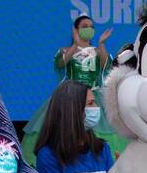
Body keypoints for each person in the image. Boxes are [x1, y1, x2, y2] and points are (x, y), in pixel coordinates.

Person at [21, 14, 123, 164]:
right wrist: (75, 45)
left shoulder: (97, 50)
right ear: (75, 30)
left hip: (92, 96)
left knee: (99, 128)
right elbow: (60, 64)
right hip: (69, 96)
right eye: (84, 26)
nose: (89, 29)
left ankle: (101, 163)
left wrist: (101, 44)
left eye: (91, 27)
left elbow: (106, 66)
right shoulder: (65, 50)